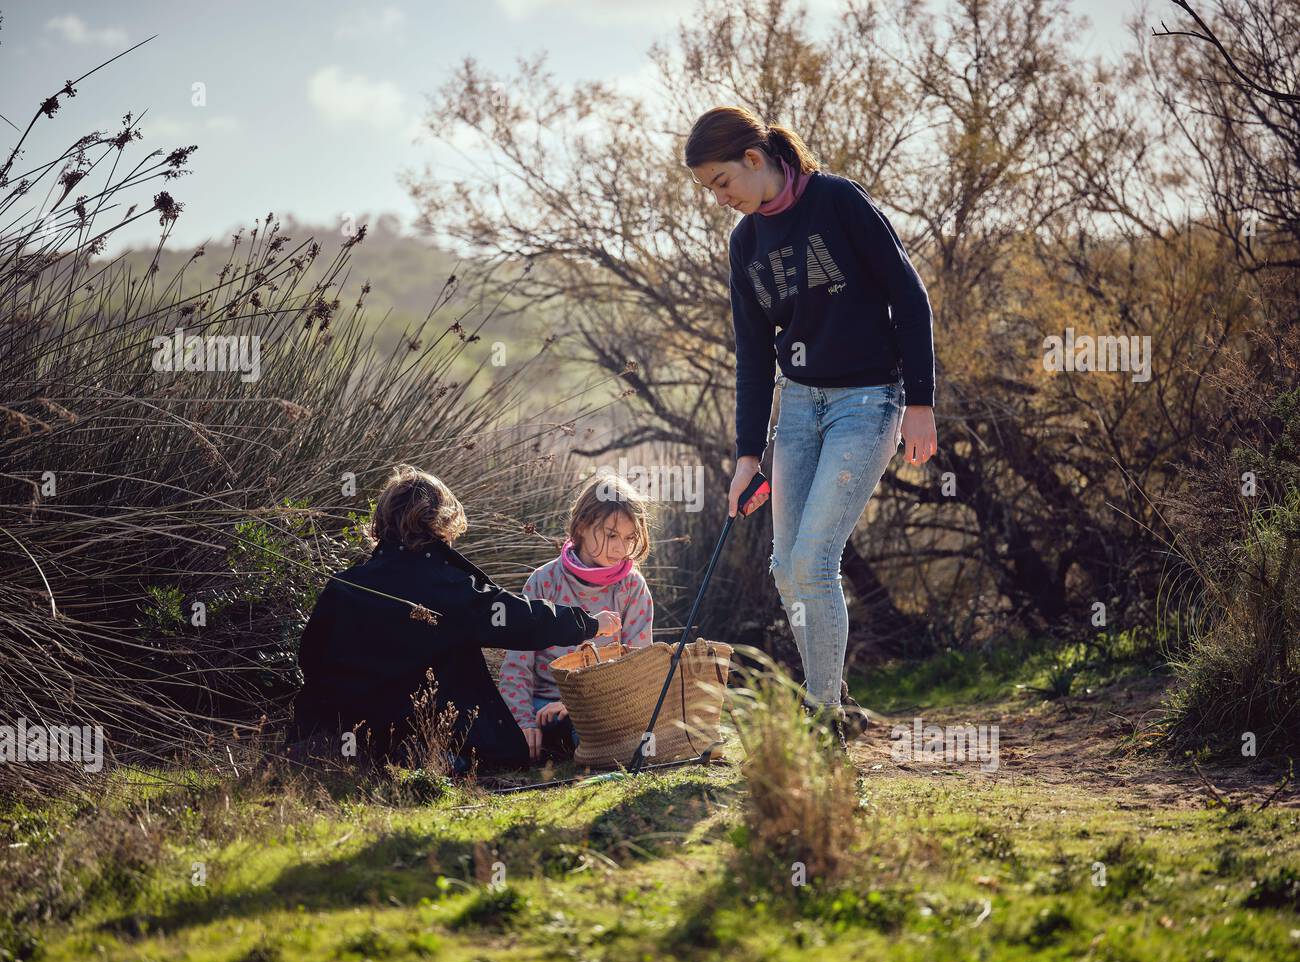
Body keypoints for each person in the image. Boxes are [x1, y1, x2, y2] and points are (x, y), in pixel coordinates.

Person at [684, 105, 939, 737]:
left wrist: (920, 403)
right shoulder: (745, 243)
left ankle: (824, 714)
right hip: (797, 407)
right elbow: (752, 353)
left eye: (721, 182)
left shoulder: (837, 201)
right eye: (708, 191)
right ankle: (832, 692)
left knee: (815, 558)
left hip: (869, 400)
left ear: (753, 159)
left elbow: (908, 296)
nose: (720, 199)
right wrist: (748, 455)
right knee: (784, 565)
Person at [291, 464, 620, 770]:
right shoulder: (446, 586)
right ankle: (435, 758)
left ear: (384, 521)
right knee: (511, 746)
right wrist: (588, 623)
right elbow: (522, 619)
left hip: (348, 734)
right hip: (418, 732)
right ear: (440, 521)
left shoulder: (344, 586)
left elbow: (310, 659)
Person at [497, 473, 655, 762]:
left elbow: (637, 670)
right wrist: (523, 722)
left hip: (604, 704)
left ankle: (577, 744)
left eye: (629, 538)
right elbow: (517, 666)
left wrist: (575, 706)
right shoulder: (543, 582)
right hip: (540, 705)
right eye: (610, 535)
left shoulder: (632, 587)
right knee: (498, 733)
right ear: (582, 526)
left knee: (604, 732)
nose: (620, 549)